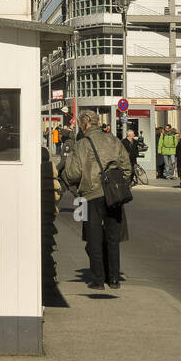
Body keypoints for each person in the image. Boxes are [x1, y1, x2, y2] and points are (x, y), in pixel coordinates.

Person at [62, 110, 131, 290]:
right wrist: (119, 185)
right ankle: (114, 278)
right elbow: (127, 167)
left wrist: (66, 177)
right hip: (113, 194)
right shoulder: (114, 140)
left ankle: (98, 279)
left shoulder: (82, 144)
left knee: (93, 237)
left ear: (84, 125)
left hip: (90, 195)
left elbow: (73, 173)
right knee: (113, 237)